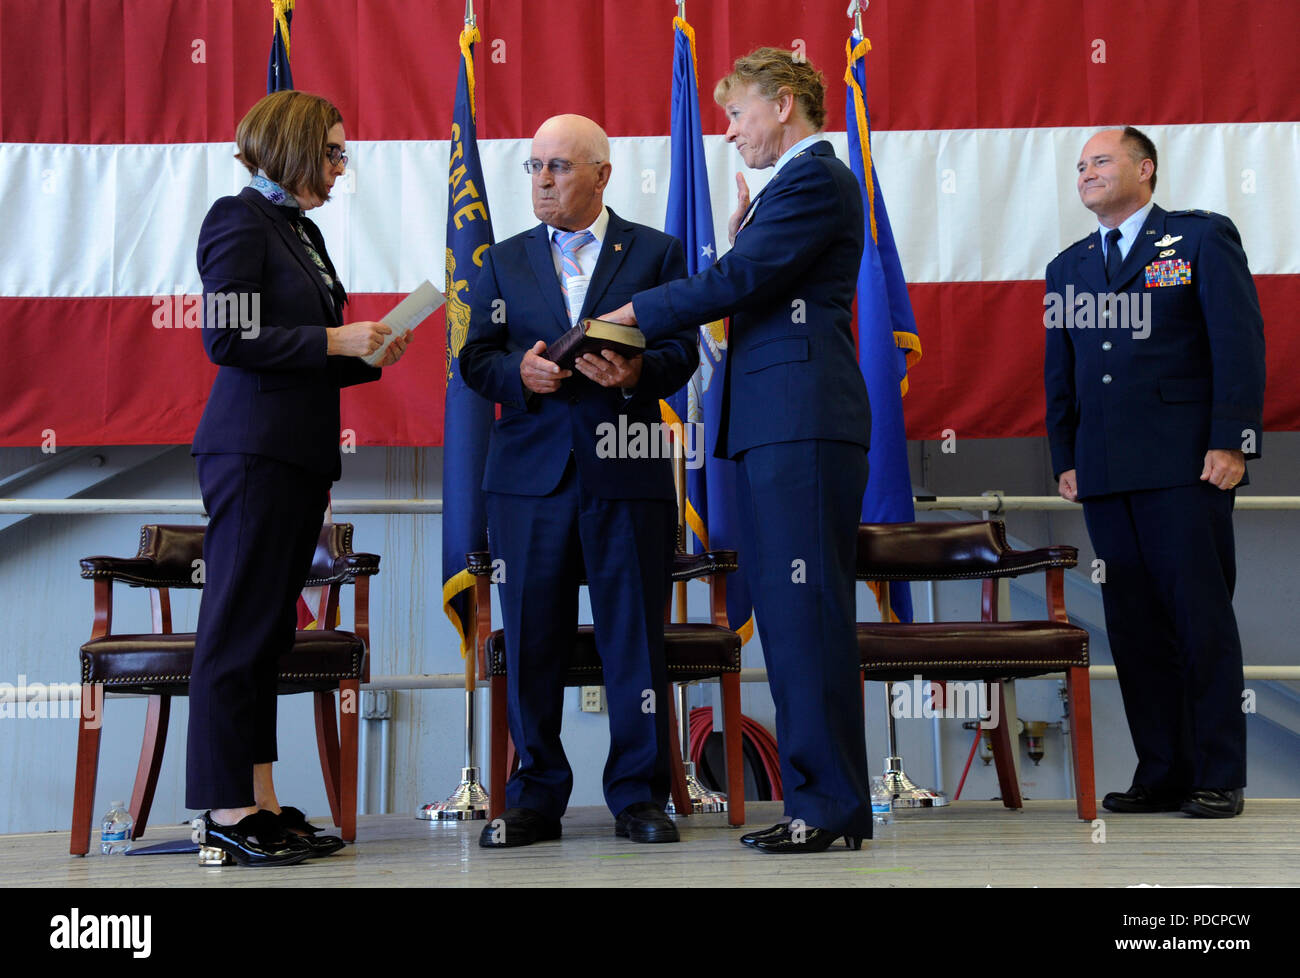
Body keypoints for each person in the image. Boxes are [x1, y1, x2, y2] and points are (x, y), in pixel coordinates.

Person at [602, 48, 874, 853]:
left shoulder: (816, 179)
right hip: (776, 423)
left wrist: (628, 312)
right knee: (794, 616)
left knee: (806, 616)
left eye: (737, 114)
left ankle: (825, 810)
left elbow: (737, 281)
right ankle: (821, 804)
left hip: (803, 423)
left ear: (784, 104)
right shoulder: (782, 193)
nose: (728, 133)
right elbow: (749, 278)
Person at [459, 114, 697, 848]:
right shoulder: (501, 261)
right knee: (532, 639)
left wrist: (638, 371)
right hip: (529, 480)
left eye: (558, 167)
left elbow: (684, 350)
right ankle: (533, 796)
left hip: (626, 469)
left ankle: (639, 796)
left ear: (601, 174)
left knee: (635, 640)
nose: (542, 182)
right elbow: (475, 358)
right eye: (533, 167)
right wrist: (519, 374)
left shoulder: (657, 252)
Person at [188, 90, 411, 866]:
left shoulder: (299, 229)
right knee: (236, 627)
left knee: (268, 633)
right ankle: (224, 806)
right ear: (292, 148)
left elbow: (303, 348)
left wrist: (362, 352)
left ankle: (262, 800)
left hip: (296, 452)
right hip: (251, 452)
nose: (342, 169)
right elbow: (231, 336)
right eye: (333, 153)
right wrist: (333, 336)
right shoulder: (237, 219)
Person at [1044, 126, 1265, 818]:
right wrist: (1066, 456)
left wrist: (1233, 442)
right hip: (1106, 471)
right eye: (1080, 166)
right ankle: (1162, 770)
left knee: (1199, 620)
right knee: (1134, 627)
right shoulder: (1067, 266)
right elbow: (1063, 370)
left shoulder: (1198, 240)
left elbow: (1238, 343)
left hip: (1185, 464)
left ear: (1146, 168)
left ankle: (1217, 773)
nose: (1087, 172)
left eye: (1101, 160)